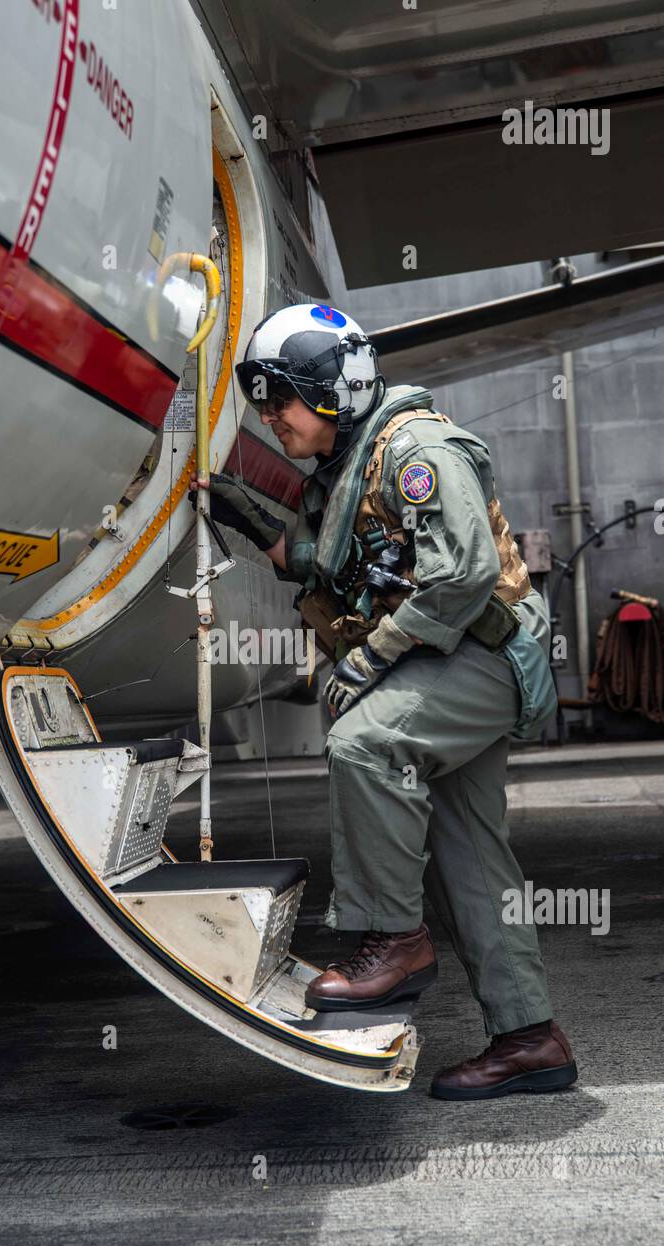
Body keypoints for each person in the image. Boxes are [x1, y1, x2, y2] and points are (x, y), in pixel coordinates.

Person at [190, 303, 577, 1101]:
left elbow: (462, 576)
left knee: (367, 744)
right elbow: (341, 561)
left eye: (281, 400)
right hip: (449, 660)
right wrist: (258, 526)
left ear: (333, 391)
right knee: (468, 854)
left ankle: (393, 943)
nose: (270, 417)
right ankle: (530, 1037)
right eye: (262, 402)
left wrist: (368, 658)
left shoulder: (414, 450)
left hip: (478, 653)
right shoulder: (349, 468)